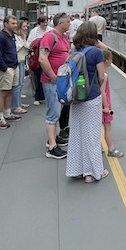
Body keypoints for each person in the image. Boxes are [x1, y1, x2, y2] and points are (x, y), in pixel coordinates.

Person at [65, 21, 109, 182]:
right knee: (92, 135)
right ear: (93, 35)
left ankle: (76, 170)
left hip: (76, 98)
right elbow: (101, 76)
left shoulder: (74, 50)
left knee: (77, 134)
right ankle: (93, 173)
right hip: (91, 98)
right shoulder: (96, 52)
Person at [38, 13, 72, 159]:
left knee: (57, 110)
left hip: (61, 81)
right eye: (68, 22)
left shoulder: (63, 37)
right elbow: (42, 58)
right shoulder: (50, 37)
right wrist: (52, 76)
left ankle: (53, 138)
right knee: (53, 113)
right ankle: (52, 147)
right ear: (61, 23)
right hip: (52, 81)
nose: (70, 24)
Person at [0, 15, 22, 130]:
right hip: (6, 68)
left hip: (13, 66)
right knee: (3, 92)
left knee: (10, 90)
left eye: (15, 23)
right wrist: (3, 67)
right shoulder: (0, 37)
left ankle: (7, 113)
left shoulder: (12, 36)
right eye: (12, 23)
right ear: (6, 24)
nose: (15, 25)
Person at [101, 49, 123, 158]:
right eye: (111, 59)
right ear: (106, 61)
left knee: (97, 127)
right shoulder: (104, 75)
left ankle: (96, 147)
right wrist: (106, 107)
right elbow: (102, 92)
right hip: (104, 105)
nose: (111, 61)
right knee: (108, 127)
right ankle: (110, 149)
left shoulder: (99, 73)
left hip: (98, 105)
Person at [28, 16, 53, 104]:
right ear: (39, 23)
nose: (45, 24)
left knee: (48, 76)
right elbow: (29, 43)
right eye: (43, 22)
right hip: (37, 57)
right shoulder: (34, 31)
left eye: (46, 22)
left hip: (49, 56)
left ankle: (47, 95)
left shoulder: (51, 30)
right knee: (38, 77)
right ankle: (38, 97)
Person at [11, 17, 31, 114]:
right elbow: (17, 48)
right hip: (18, 61)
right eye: (24, 26)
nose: (26, 28)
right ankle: (16, 106)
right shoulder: (15, 37)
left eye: (26, 26)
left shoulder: (23, 36)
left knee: (21, 83)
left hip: (22, 61)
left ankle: (19, 103)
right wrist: (24, 43)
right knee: (17, 85)